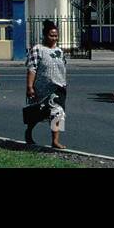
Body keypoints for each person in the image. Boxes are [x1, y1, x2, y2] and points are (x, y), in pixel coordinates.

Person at [25, 20, 68, 149]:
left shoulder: (60, 51)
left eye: (56, 35)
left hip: (58, 87)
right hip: (41, 89)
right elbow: (32, 69)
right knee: (38, 113)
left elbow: (63, 67)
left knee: (58, 113)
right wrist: (30, 87)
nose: (54, 38)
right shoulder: (37, 49)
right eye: (51, 35)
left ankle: (55, 140)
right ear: (45, 35)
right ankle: (29, 132)